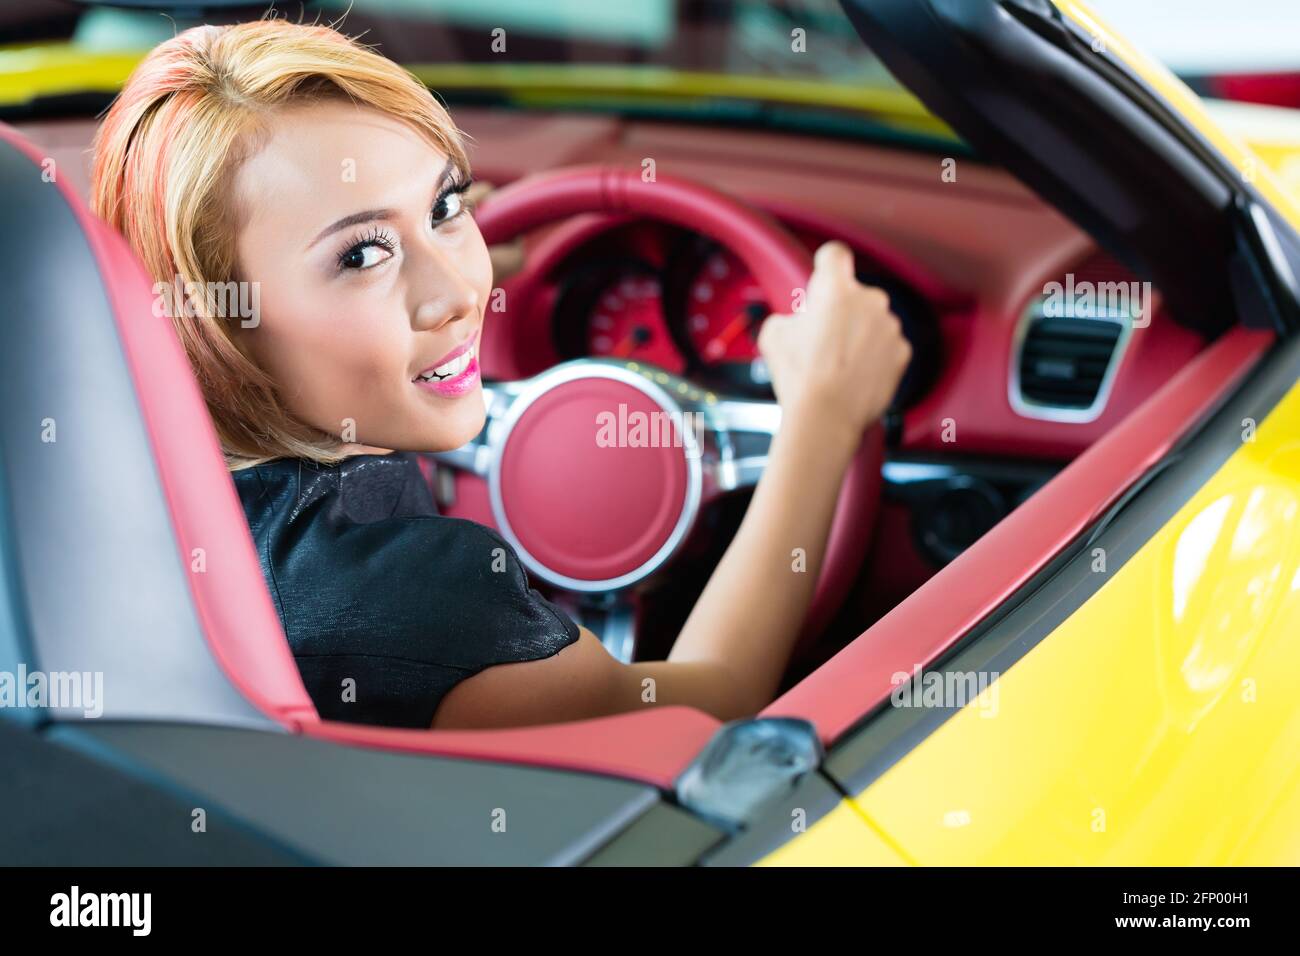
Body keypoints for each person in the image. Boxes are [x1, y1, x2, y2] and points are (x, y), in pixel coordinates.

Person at [90, 18, 911, 730]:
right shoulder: (419, 602)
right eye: (360, 255)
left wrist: (412, 249)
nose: (459, 293)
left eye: (447, 207)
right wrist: (824, 416)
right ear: (212, 318)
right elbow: (709, 707)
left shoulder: (100, 477)